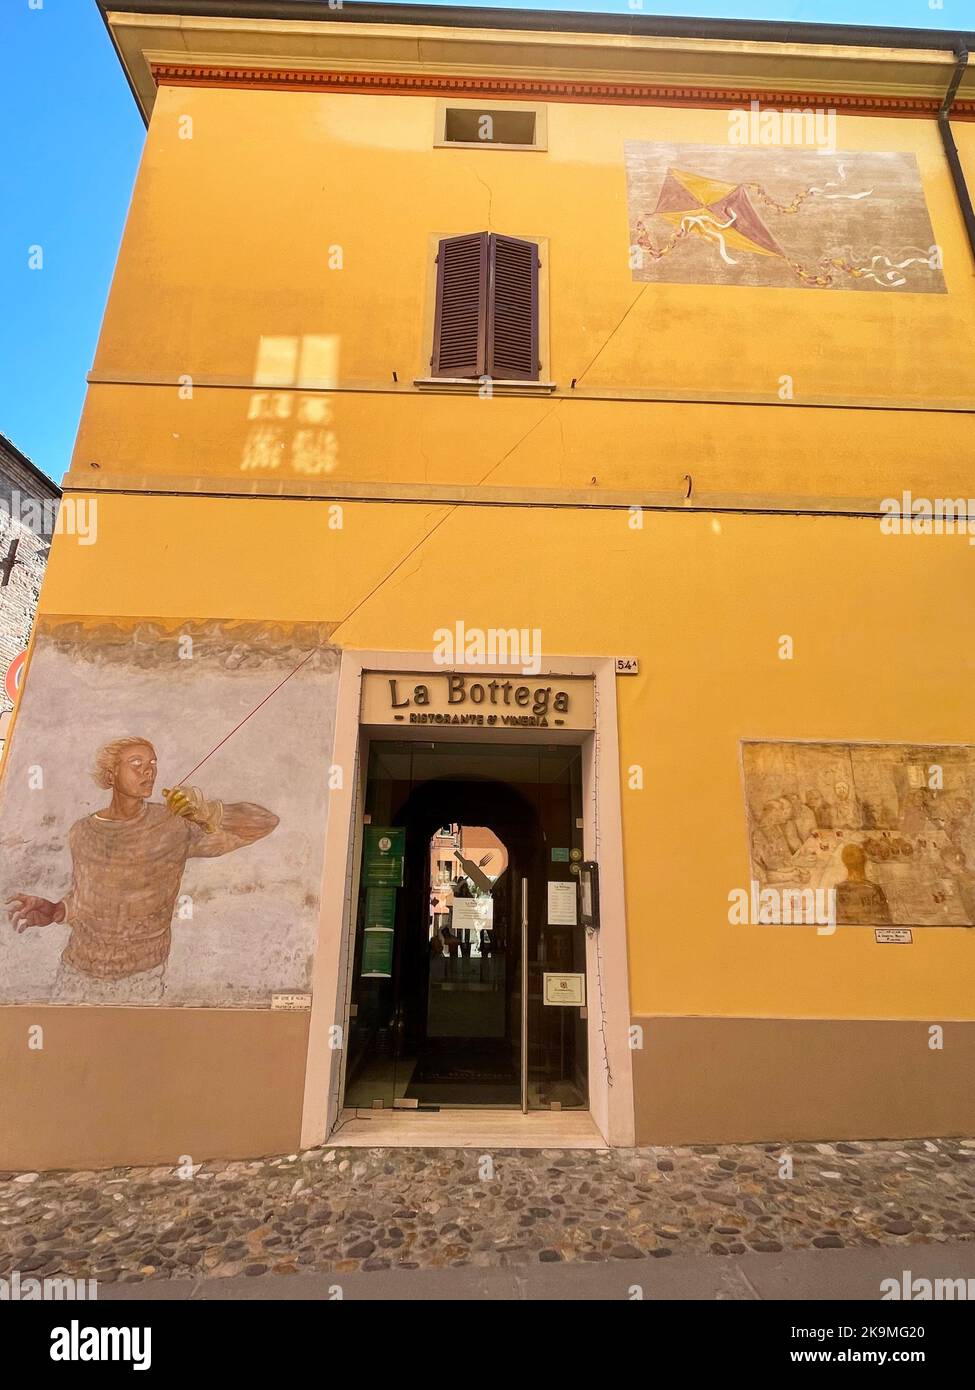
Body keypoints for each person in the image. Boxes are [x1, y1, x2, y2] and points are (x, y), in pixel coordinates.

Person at [7, 736, 278, 1003]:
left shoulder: (173, 825)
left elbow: (265, 822)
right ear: (111, 775)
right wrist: (56, 911)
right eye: (136, 763)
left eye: (152, 763)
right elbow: (85, 899)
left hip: (140, 978)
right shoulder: (82, 832)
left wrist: (211, 811)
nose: (148, 770)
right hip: (77, 973)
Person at [835, 843, 891, 925]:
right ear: (864, 861)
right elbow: (886, 923)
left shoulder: (839, 889)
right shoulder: (875, 889)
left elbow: (839, 923)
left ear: (844, 862)